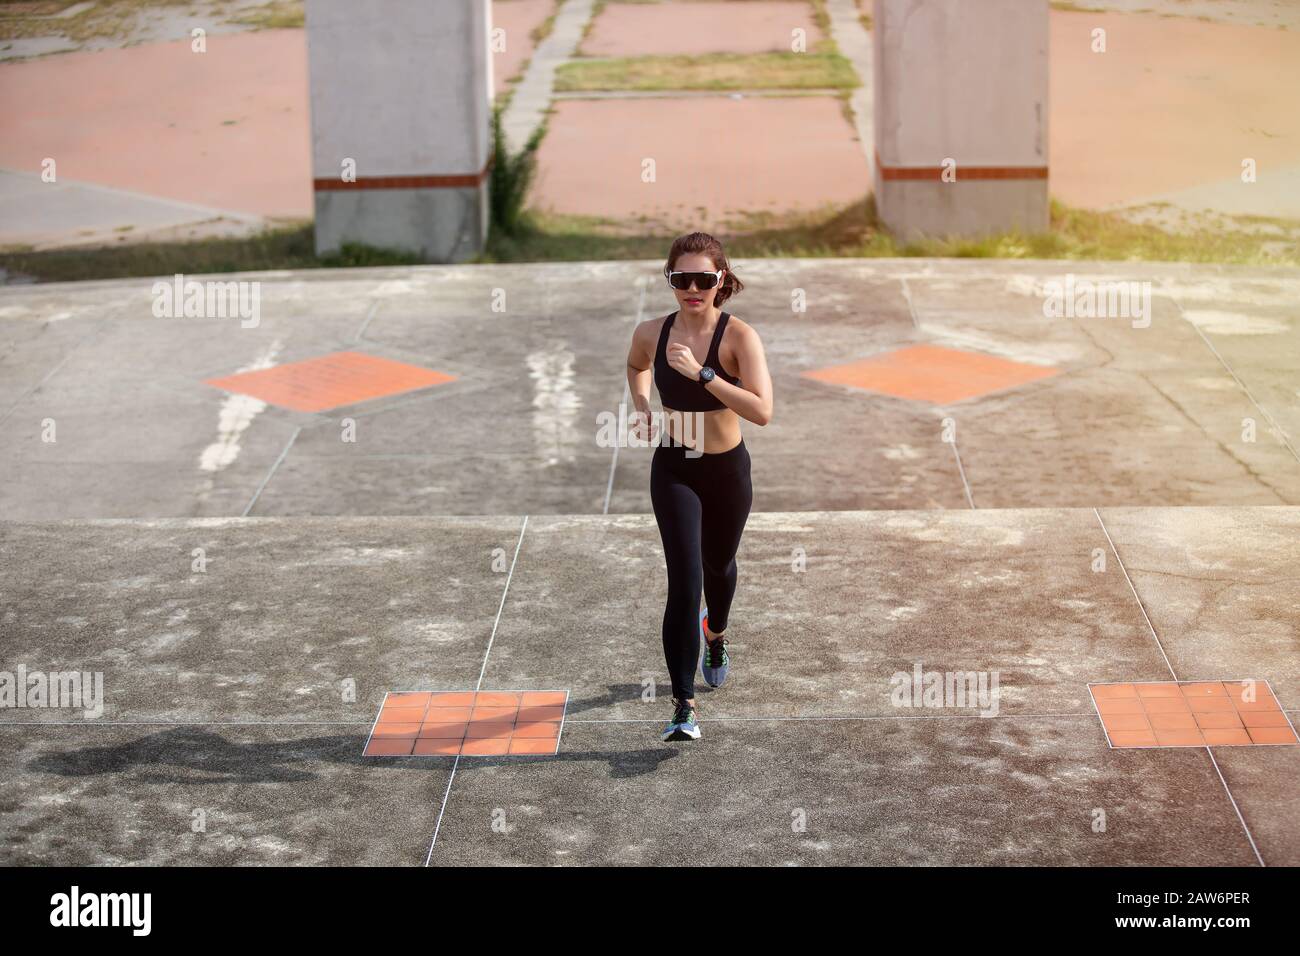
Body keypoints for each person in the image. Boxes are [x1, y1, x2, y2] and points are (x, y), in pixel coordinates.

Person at [624, 232, 774, 741]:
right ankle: (682, 705)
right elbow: (636, 365)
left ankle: (717, 633)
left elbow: (762, 411)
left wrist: (705, 373)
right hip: (676, 466)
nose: (692, 288)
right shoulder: (652, 333)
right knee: (685, 582)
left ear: (721, 281)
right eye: (680, 279)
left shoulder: (739, 338)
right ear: (670, 281)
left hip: (727, 469)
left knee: (719, 567)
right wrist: (642, 406)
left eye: (703, 279)